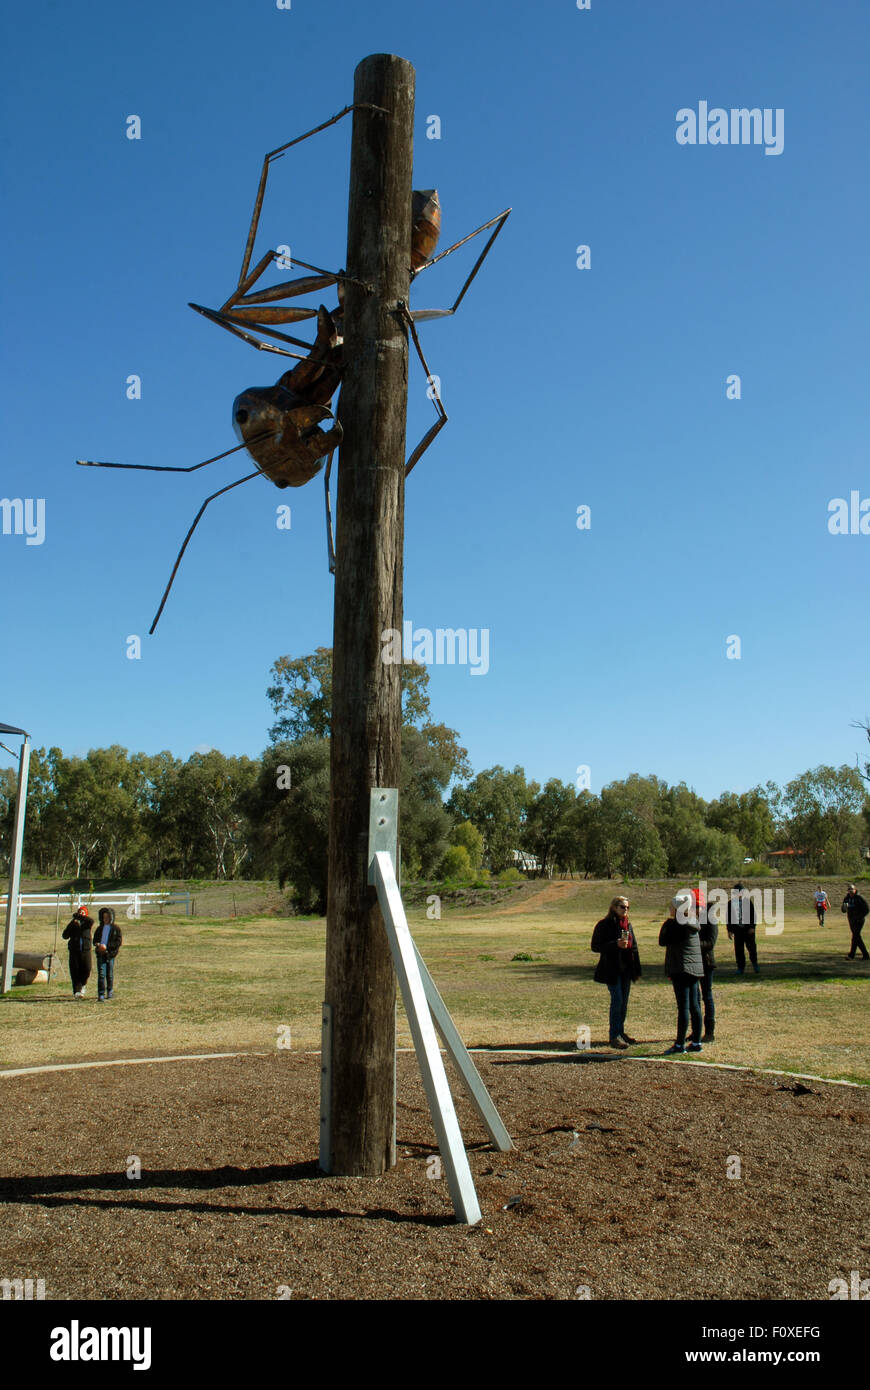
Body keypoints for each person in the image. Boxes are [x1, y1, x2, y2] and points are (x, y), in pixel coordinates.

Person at [591, 895, 641, 1049]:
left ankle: (621, 1032)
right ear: (614, 907)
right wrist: (615, 944)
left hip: (626, 968)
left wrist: (637, 969)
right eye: (622, 907)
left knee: (624, 1002)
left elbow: (634, 948)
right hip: (611, 969)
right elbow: (595, 946)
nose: (625, 910)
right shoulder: (604, 925)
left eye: (627, 907)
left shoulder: (628, 925)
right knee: (617, 1000)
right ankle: (614, 1036)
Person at [659, 892, 704, 1053]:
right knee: (695, 1006)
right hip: (695, 968)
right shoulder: (693, 922)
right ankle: (697, 1042)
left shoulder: (674, 924)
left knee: (683, 1007)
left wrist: (668, 923)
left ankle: (679, 1044)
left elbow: (662, 941)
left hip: (680, 968)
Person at [697, 892, 718, 1042]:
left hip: (706, 962)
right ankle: (695, 1030)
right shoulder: (689, 918)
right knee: (694, 998)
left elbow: (710, 942)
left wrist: (693, 945)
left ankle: (709, 1032)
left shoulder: (710, 919)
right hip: (692, 963)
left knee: (706, 996)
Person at [726, 881, 759, 974]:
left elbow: (753, 916)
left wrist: (752, 927)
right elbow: (728, 918)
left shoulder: (748, 902)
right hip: (738, 930)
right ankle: (740, 967)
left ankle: (755, 963)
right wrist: (729, 930)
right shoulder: (730, 903)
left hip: (748, 930)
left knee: (751, 948)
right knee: (739, 950)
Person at [61, 906, 94, 998]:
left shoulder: (87, 923)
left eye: (83, 912)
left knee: (87, 969)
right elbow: (65, 935)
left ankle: (83, 984)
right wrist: (72, 923)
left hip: (85, 950)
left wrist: (80, 917)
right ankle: (77, 990)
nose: (81, 914)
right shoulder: (73, 923)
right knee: (75, 971)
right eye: (80, 912)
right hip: (74, 951)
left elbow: (91, 921)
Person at [93, 907, 123, 1000]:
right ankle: (101, 993)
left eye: (108, 917)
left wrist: (107, 947)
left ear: (112, 918)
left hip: (110, 954)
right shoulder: (99, 928)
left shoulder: (115, 929)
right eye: (104, 917)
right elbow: (95, 940)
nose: (106, 919)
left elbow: (118, 942)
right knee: (101, 973)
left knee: (109, 974)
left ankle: (110, 991)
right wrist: (98, 945)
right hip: (100, 953)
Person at [841, 884, 870, 961]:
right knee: (856, 937)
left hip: (859, 920)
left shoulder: (859, 898)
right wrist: (844, 908)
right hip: (851, 920)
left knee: (855, 936)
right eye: (849, 889)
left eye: (852, 889)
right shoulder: (846, 898)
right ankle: (865, 955)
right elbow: (843, 910)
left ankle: (852, 955)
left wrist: (859, 917)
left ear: (855, 890)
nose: (850, 891)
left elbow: (867, 909)